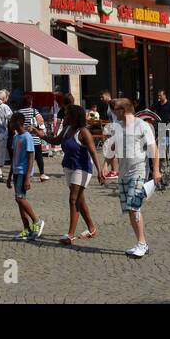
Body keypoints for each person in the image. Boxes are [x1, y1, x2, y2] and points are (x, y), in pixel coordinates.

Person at [46, 103, 107, 243]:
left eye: (67, 114)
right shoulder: (67, 129)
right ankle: (92, 229)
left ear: (74, 117)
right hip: (69, 167)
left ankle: (70, 235)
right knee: (80, 200)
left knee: (73, 199)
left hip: (82, 168)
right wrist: (41, 135)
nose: (65, 116)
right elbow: (56, 141)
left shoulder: (83, 132)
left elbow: (93, 151)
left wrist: (99, 172)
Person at [106, 98, 158, 258]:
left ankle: (142, 244)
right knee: (130, 208)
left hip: (138, 171)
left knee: (134, 206)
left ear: (124, 110)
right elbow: (112, 147)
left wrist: (156, 171)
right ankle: (141, 243)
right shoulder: (119, 127)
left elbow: (153, 148)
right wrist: (105, 164)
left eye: (116, 109)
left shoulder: (142, 125)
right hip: (123, 173)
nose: (113, 112)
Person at [8, 112, 44, 241]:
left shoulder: (27, 137)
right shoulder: (16, 137)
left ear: (18, 122)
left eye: (11, 121)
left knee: (20, 198)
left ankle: (36, 221)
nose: (10, 124)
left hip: (24, 172)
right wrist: (9, 176)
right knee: (19, 201)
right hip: (16, 172)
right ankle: (26, 228)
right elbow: (14, 158)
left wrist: (28, 176)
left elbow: (31, 158)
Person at [18, 100, 49, 181]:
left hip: (23, 138)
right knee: (39, 157)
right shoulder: (34, 111)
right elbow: (41, 121)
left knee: (24, 157)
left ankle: (24, 174)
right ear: (30, 103)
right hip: (34, 138)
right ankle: (42, 174)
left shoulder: (18, 112)